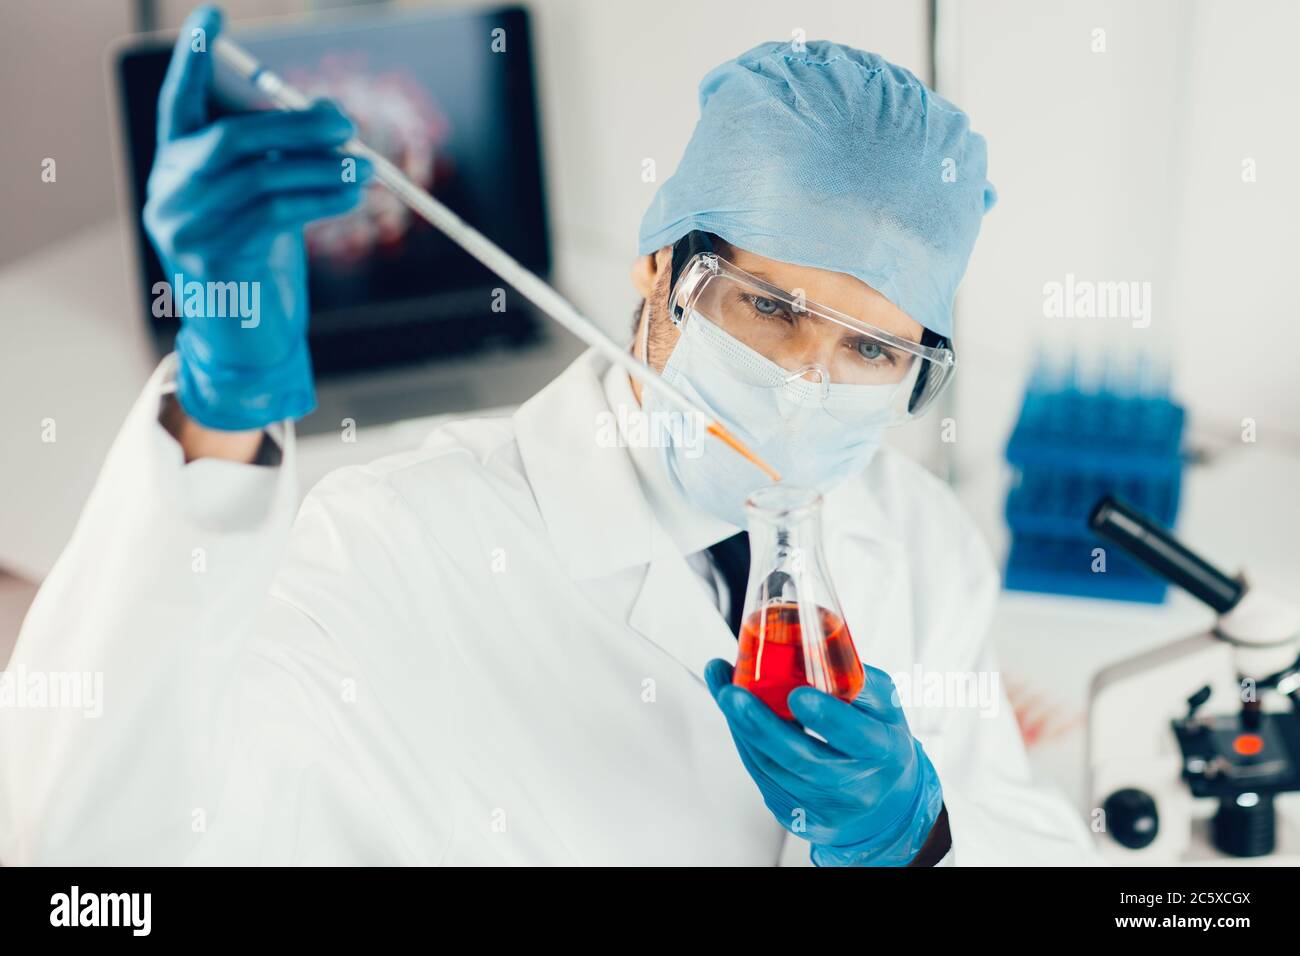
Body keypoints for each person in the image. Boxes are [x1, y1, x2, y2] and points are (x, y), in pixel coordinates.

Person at [0, 5, 1096, 865]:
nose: (807, 385)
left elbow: (1029, 840)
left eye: (871, 351)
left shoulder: (918, 541)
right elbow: (98, 861)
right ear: (658, 269)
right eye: (767, 307)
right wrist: (218, 416)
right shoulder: (397, 549)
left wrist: (914, 839)